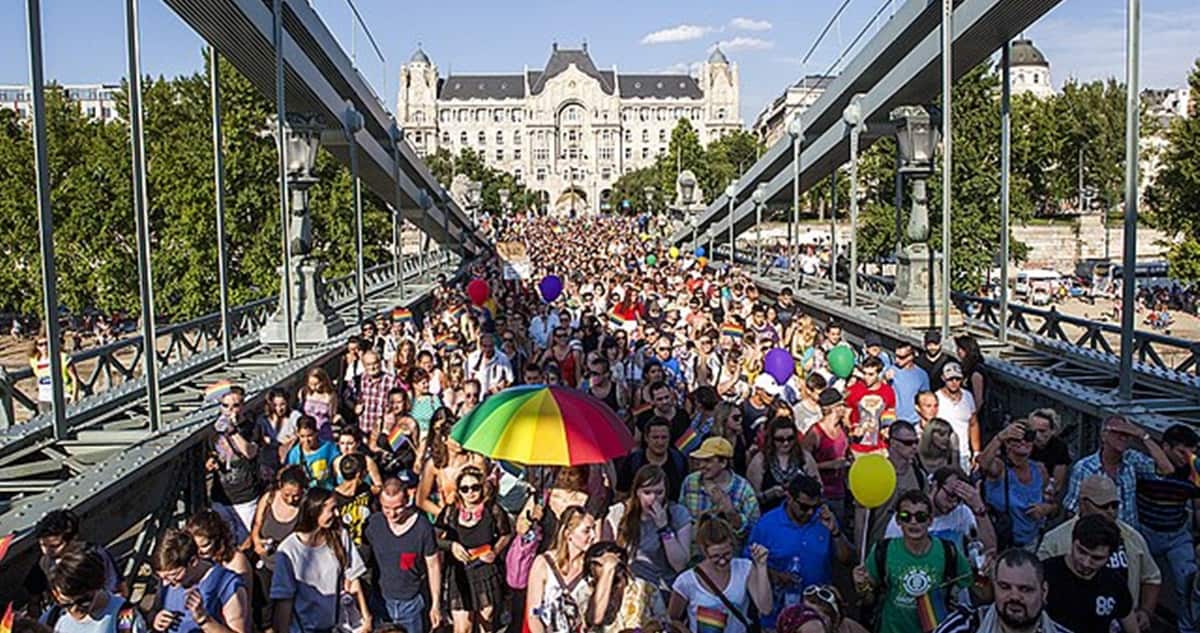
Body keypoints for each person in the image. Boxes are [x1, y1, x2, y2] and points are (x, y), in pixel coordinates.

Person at [1038, 475, 1161, 630]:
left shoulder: (1132, 537)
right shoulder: (1054, 540)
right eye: (1103, 506)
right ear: (1083, 504)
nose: (1110, 512)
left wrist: (1146, 611)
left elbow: (1151, 577)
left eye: (1114, 505)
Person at [855, 490, 972, 633]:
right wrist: (861, 586)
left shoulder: (948, 550)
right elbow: (868, 600)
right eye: (906, 516)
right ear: (898, 520)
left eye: (920, 516)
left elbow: (976, 589)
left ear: (930, 521)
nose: (913, 522)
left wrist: (983, 577)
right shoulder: (882, 550)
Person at [746, 474, 853, 629]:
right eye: (804, 507)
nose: (810, 512)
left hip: (818, 618)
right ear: (789, 498)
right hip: (777, 616)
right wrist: (774, 575)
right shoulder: (766, 524)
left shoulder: (824, 520)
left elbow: (846, 559)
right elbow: (748, 564)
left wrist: (836, 532)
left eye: (814, 507)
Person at [270, 488, 371, 633]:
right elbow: (284, 601)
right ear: (314, 511)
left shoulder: (340, 535)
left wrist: (365, 618)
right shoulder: (288, 550)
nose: (337, 514)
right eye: (332, 509)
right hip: (305, 628)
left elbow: (353, 577)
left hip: (339, 625)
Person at [1134, 424, 1200, 633]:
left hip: (1177, 535)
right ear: (1166, 447)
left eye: (1192, 452)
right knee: (1135, 578)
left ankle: (1187, 629)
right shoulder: (1146, 467)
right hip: (1146, 533)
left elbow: (1198, 507)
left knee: (1188, 582)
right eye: (1181, 451)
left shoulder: (1194, 473)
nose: (1187, 457)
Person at [436, 466, 513, 633]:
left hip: (485, 570)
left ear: (482, 488)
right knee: (463, 627)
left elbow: (506, 534)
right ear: (458, 491)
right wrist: (451, 546)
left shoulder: (493, 510)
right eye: (465, 489)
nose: (470, 492)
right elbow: (433, 538)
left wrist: (495, 551)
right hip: (459, 572)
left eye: (475, 487)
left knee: (486, 622)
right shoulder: (450, 512)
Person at [1064, 414, 1174, 530]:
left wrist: (1142, 435)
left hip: (1128, 535)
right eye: (1118, 432)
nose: (1123, 438)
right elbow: (1072, 509)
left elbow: (1167, 469)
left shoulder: (1132, 460)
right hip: (1098, 534)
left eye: (1127, 434)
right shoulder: (1084, 467)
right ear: (1104, 435)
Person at [363, 476, 442, 633]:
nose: (392, 514)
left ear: (407, 500)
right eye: (386, 508)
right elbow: (364, 558)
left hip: (411, 603)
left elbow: (433, 566)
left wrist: (436, 604)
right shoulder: (373, 524)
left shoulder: (422, 527)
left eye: (398, 508)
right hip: (381, 602)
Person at [668, 516, 772, 633]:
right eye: (715, 556)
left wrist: (761, 566)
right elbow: (672, 619)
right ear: (704, 551)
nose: (722, 561)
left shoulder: (745, 568)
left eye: (727, 554)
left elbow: (765, 608)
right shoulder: (685, 581)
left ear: (733, 545)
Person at [602, 465, 693, 596]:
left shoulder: (678, 513)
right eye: (647, 492)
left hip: (664, 589)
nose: (653, 499)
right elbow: (606, 558)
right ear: (637, 492)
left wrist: (664, 528)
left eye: (659, 492)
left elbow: (680, 565)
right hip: (628, 588)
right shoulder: (619, 513)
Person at [932, 549, 1072, 633]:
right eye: (1005, 587)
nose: (1015, 597)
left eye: (1025, 589)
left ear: (1044, 591)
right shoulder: (962, 628)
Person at [1041, 514, 1137, 633]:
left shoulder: (1115, 584)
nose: (1086, 563)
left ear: (1109, 557)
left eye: (1096, 558)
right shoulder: (1045, 573)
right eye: (1081, 551)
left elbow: (1131, 627)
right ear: (1072, 542)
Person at [24, 509, 124, 615]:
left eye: (55, 546)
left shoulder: (95, 556)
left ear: (73, 539)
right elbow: (34, 598)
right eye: (43, 545)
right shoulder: (44, 562)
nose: (47, 551)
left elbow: (118, 591)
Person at [149, 528, 248, 633]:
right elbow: (153, 611)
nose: (166, 583)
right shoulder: (168, 581)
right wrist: (156, 620)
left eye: (174, 574)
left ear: (193, 561)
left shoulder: (227, 584)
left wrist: (204, 619)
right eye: (162, 577)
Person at [978, 420, 1055, 549]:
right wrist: (1000, 437)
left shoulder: (1039, 470)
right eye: (1016, 439)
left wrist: (1046, 509)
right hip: (1002, 542)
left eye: (1028, 438)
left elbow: (1052, 503)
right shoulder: (1000, 468)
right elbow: (984, 463)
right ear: (1008, 444)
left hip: (1032, 542)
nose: (1023, 442)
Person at [885, 466, 996, 555]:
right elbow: (889, 551)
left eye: (959, 499)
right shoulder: (908, 516)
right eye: (950, 495)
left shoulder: (963, 512)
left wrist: (979, 508)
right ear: (935, 486)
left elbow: (990, 548)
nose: (953, 503)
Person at [38, 545, 148, 633]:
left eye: (84, 602)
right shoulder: (53, 618)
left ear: (99, 586)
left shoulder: (124, 618)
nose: (74, 610)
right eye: (66, 604)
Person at [249, 466, 306, 632]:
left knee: (286, 607)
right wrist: (257, 542)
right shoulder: (269, 498)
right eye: (286, 494)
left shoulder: (304, 506)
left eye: (296, 495)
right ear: (280, 486)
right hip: (266, 563)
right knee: (264, 608)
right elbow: (257, 525)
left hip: (290, 567)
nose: (290, 499)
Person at [679, 438, 761, 549]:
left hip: (728, 555)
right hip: (695, 553)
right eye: (700, 460)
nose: (701, 465)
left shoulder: (743, 489)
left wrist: (731, 513)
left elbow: (753, 532)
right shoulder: (690, 482)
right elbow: (681, 519)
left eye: (708, 461)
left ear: (723, 462)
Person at [526, 507, 597, 633]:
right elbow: (534, 612)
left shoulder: (591, 568)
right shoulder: (544, 563)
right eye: (587, 531)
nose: (593, 536)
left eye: (594, 529)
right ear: (568, 534)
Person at [862, 421, 927, 546]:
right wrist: (861, 555)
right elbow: (862, 520)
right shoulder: (875, 474)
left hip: (910, 548)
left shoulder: (919, 476)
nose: (914, 447)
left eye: (916, 442)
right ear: (893, 443)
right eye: (908, 443)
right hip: (879, 546)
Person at [583, 541, 659, 633]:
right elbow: (594, 618)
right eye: (602, 565)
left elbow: (663, 623)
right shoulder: (585, 591)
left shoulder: (646, 588)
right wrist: (607, 571)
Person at [747, 417, 818, 512]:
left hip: (801, 516)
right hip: (770, 514)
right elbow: (751, 498)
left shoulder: (805, 458)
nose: (786, 443)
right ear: (772, 439)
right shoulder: (760, 460)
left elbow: (818, 487)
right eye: (780, 439)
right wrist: (770, 494)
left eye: (790, 438)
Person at [803, 389, 851, 527]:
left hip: (839, 491)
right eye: (843, 405)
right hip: (821, 493)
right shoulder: (815, 433)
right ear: (835, 408)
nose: (845, 408)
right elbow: (803, 463)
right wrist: (831, 465)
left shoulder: (842, 428)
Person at [185, 509, 253, 589]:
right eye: (195, 546)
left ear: (217, 539)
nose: (199, 551)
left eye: (205, 545)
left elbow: (245, 596)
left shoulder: (236, 560)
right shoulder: (195, 561)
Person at [844, 357, 895, 452]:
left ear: (879, 374)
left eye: (871, 374)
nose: (866, 377)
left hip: (880, 447)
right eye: (864, 373)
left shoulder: (888, 391)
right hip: (857, 446)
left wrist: (887, 429)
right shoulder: (853, 390)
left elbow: (889, 414)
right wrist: (852, 429)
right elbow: (845, 416)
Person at [934, 363, 978, 470]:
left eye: (957, 379)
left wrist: (976, 452)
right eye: (950, 379)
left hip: (963, 454)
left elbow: (973, 424)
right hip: (942, 455)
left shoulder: (968, 396)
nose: (954, 382)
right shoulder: (936, 397)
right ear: (943, 378)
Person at [29, 327, 80, 414]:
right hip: (44, 399)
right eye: (41, 345)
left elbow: (75, 378)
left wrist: (74, 397)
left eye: (46, 344)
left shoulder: (62, 357)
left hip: (63, 396)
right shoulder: (34, 360)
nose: (44, 347)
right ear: (36, 346)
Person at [284, 416, 340, 490]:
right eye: (302, 436)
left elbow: (337, 468)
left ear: (316, 433)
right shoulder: (294, 453)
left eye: (310, 436)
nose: (306, 440)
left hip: (326, 491)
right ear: (297, 434)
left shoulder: (328, 447)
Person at [1027, 408, 1070, 500]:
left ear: (1052, 431)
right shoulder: (1024, 442)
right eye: (1034, 431)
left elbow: (1057, 485)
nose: (1037, 436)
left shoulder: (1059, 447)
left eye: (1042, 431)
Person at [353, 350, 395, 441]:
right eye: (368, 364)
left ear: (380, 363)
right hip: (364, 429)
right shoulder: (358, 380)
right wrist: (354, 406)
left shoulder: (391, 381)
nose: (372, 367)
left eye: (375, 363)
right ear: (364, 365)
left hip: (384, 430)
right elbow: (347, 398)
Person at [886, 343, 929, 426]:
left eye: (901, 357)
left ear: (911, 357)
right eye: (896, 356)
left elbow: (925, 399)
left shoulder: (921, 375)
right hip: (894, 420)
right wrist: (885, 380)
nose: (897, 360)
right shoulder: (890, 371)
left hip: (914, 421)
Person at [801, 585, 869, 633]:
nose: (811, 623)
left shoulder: (849, 627)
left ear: (835, 623)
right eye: (807, 617)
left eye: (820, 618)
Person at [297, 368, 339, 442]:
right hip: (308, 428)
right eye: (311, 384)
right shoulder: (304, 393)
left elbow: (332, 415)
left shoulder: (330, 396)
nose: (313, 387)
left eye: (316, 384)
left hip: (323, 429)